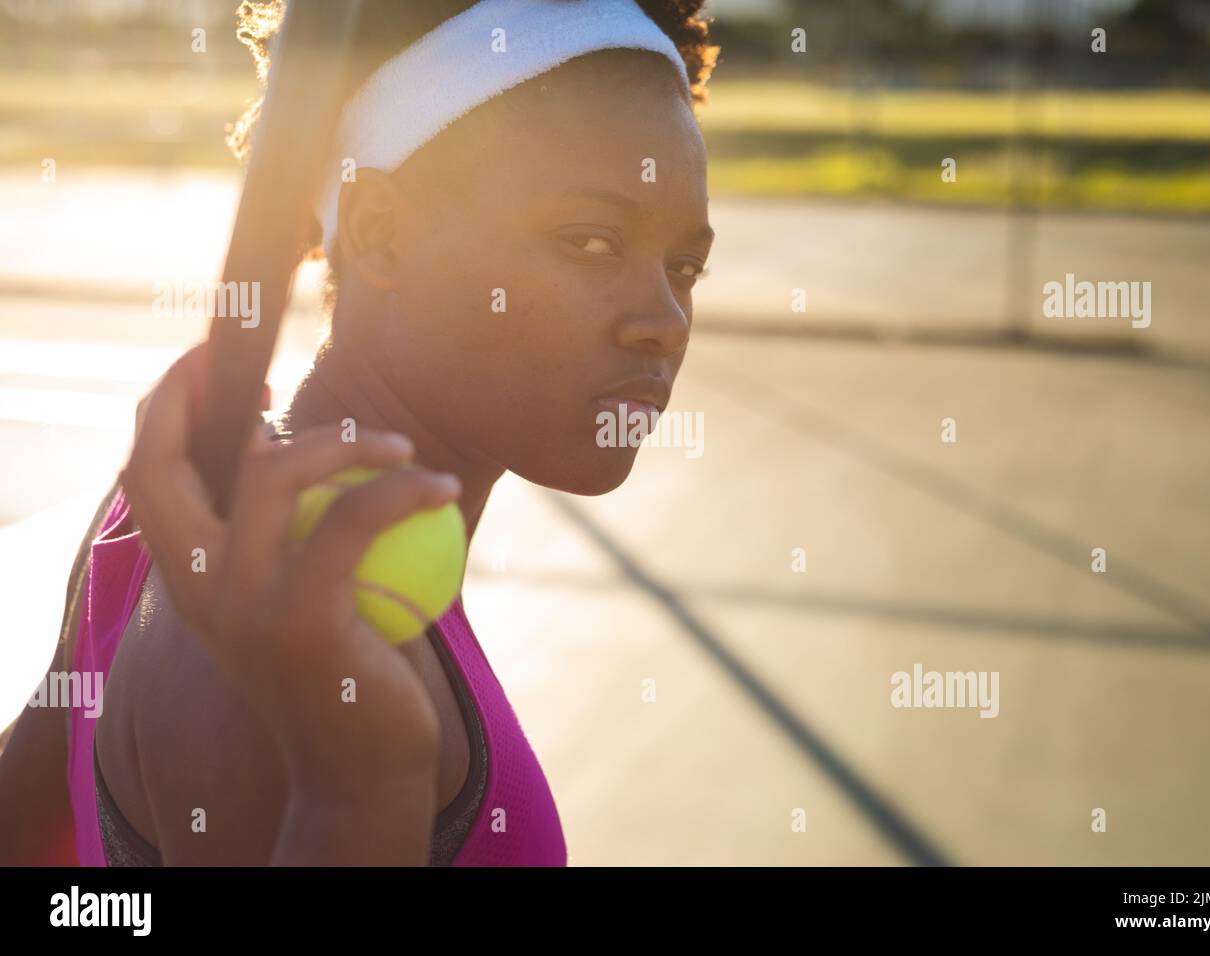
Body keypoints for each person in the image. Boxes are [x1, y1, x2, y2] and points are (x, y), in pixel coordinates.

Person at [0, 0, 717, 867]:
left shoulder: (175, 514)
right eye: (591, 240)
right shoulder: (286, 655)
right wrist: (358, 789)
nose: (664, 320)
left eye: (684, 266)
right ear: (378, 230)